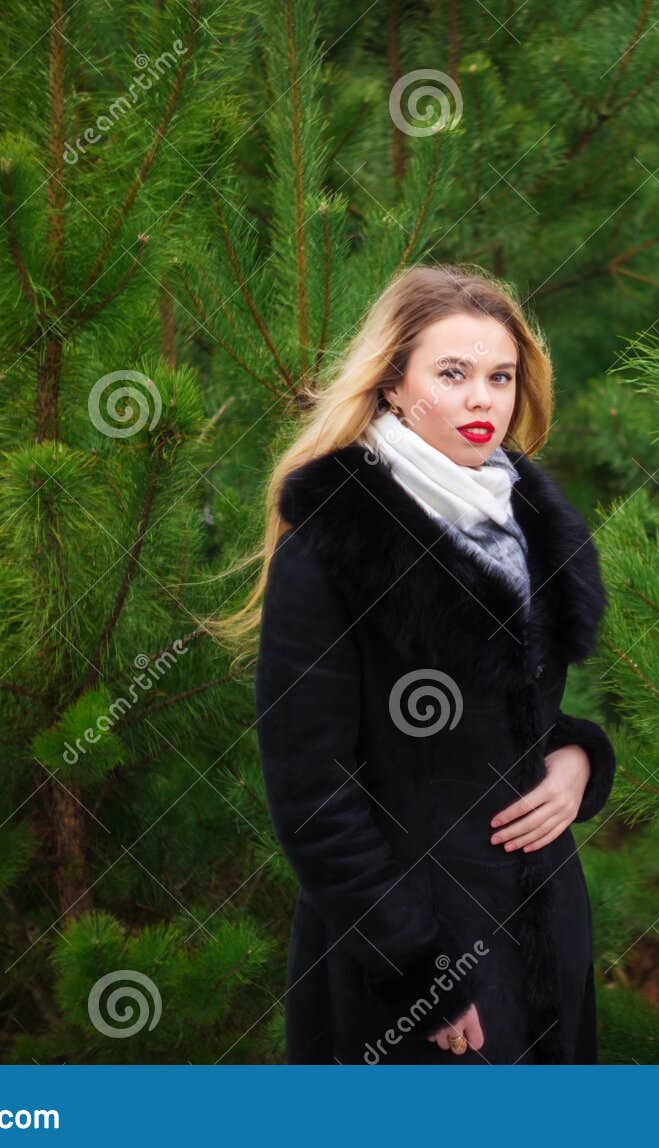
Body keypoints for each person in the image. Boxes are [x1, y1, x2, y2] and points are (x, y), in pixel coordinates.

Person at [222, 263, 615, 1063]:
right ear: (394, 386)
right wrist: (417, 972)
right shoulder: (333, 548)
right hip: (410, 967)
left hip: (544, 938)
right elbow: (311, 791)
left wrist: (578, 757)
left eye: (500, 376)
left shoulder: (529, 529)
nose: (482, 400)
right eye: (452, 374)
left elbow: (496, 721)